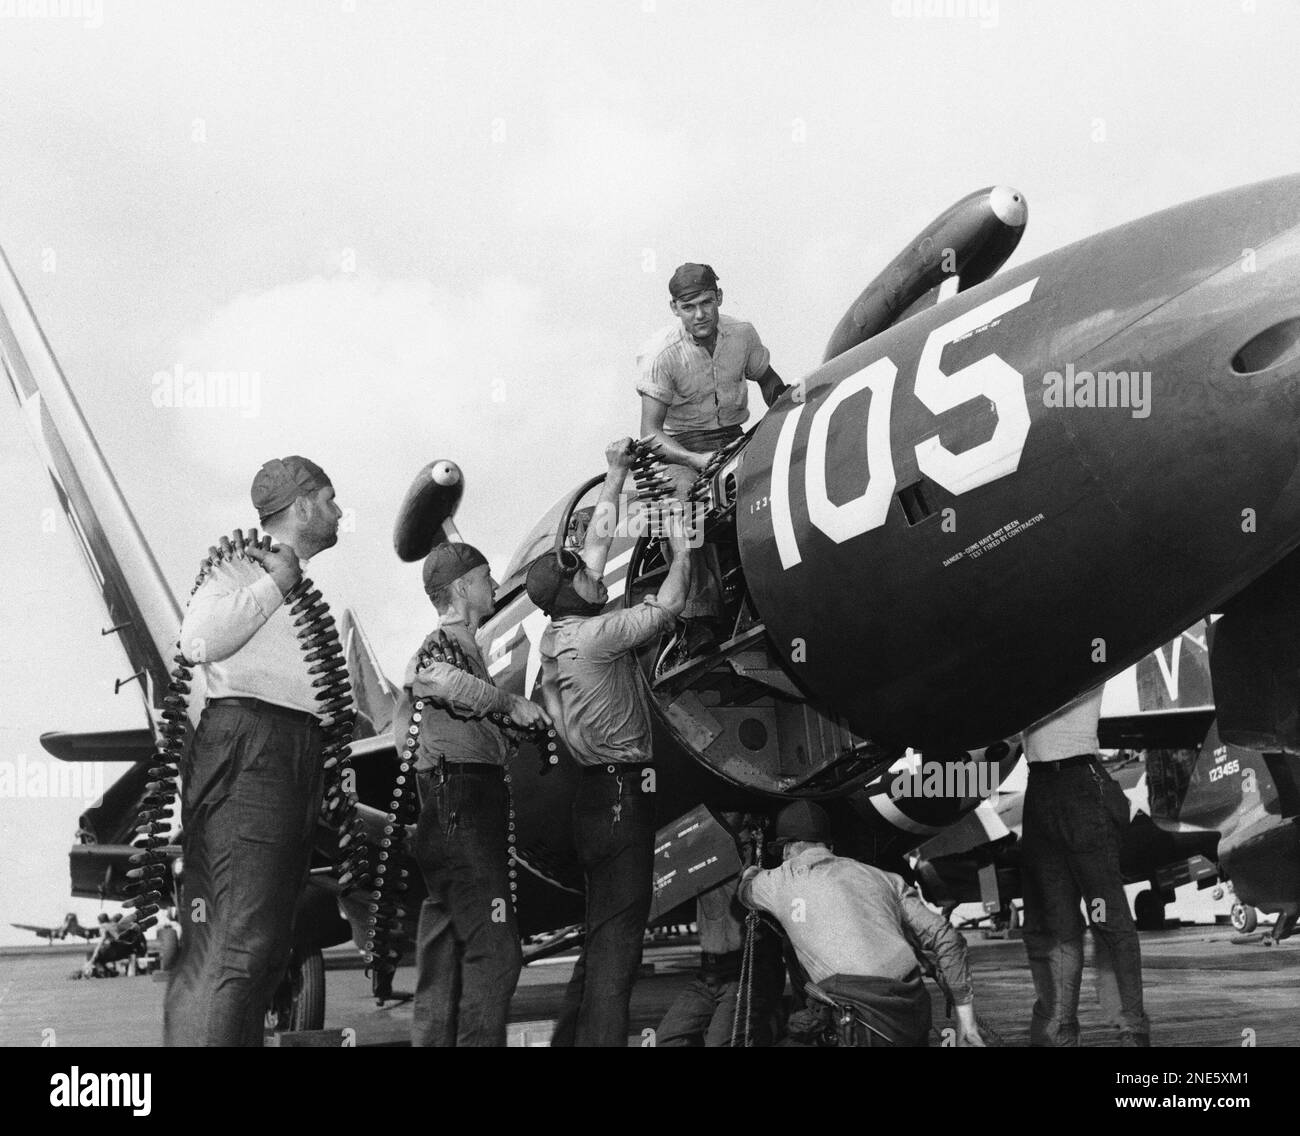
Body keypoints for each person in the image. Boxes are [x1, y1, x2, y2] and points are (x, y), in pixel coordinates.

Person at [164, 455, 343, 1046]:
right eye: (330, 498)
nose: (339, 511)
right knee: (237, 945)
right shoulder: (245, 567)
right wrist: (276, 583)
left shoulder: (287, 579)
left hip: (290, 754)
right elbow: (199, 639)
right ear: (302, 506)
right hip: (252, 752)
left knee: (265, 946)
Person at [529, 437, 692, 1046]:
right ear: (576, 591)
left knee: (602, 934)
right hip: (625, 801)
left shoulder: (557, 638)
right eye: (584, 574)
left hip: (592, 803)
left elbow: (595, 546)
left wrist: (615, 475)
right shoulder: (599, 636)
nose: (594, 571)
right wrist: (681, 547)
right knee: (620, 952)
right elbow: (671, 603)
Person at [396, 542, 551, 1047]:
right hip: (461, 802)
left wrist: (513, 730)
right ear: (463, 587)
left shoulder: (469, 651)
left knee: (443, 953)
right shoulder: (440, 646)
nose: (496, 586)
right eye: (487, 577)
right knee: (498, 950)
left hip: (448, 805)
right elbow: (433, 680)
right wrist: (508, 703)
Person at [738, 801, 985, 1047]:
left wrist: (753, 863)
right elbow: (948, 939)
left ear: (789, 847)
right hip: (911, 1016)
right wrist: (967, 1023)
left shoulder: (782, 879)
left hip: (858, 1022)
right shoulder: (885, 879)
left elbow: (746, 891)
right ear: (830, 846)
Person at [636, 262, 787, 654]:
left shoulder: (742, 334)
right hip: (679, 448)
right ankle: (697, 620)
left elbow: (768, 380)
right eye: (689, 308)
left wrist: (785, 401)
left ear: (719, 298)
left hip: (734, 437)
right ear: (675, 309)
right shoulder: (661, 355)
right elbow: (649, 435)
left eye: (706, 303)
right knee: (678, 510)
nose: (700, 315)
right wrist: (696, 461)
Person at [1020, 685, 1150, 1046]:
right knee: (1056, 925)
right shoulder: (1022, 659)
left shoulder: (1079, 648)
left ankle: (1132, 1030)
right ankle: (1060, 1030)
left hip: (1080, 783)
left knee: (1108, 917)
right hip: (1041, 789)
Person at [655, 815, 786, 1047]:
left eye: (745, 845)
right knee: (667, 1038)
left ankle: (768, 1028)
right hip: (708, 975)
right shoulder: (703, 861)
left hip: (743, 976)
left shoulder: (756, 873)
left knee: (721, 1042)